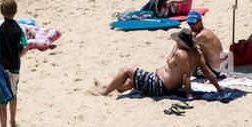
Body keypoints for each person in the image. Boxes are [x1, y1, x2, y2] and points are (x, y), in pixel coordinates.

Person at [94, 27, 222, 98]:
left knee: (127, 70)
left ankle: (104, 92)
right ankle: (108, 87)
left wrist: (189, 94)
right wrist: (218, 87)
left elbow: (186, 77)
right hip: (160, 83)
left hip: (159, 85)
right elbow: (206, 71)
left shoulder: (181, 55)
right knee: (132, 82)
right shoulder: (197, 53)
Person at [0, 0, 27, 127]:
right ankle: (13, 123)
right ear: (15, 11)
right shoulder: (21, 27)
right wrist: (18, 56)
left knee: (2, 101)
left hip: (1, 67)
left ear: (1, 11)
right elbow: (25, 47)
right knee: (13, 93)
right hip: (15, 66)